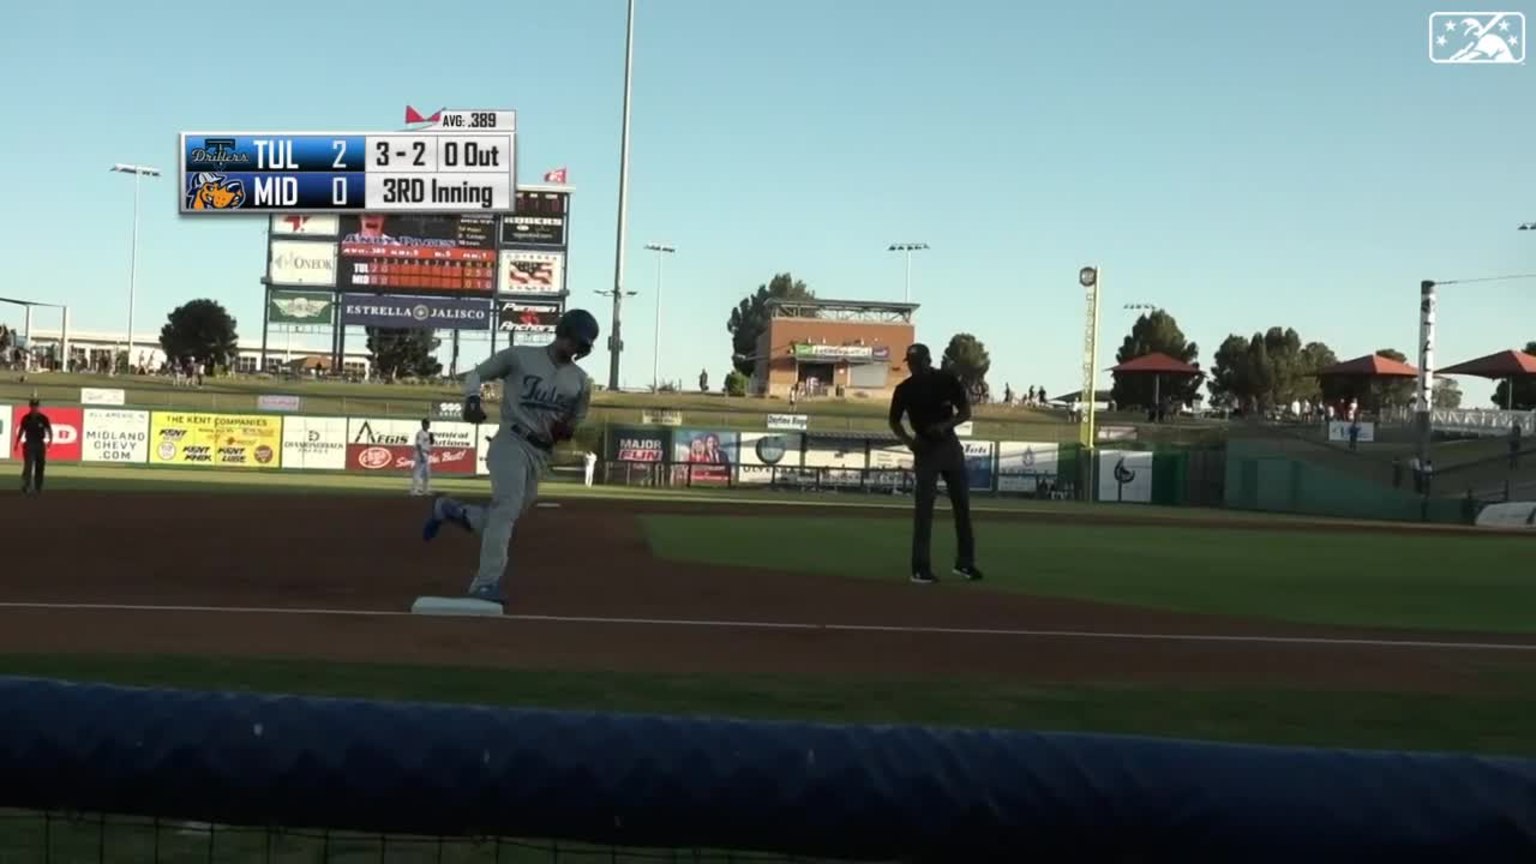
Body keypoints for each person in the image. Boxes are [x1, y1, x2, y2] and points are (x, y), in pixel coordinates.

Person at [423, 309, 599, 605]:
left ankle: (453, 510)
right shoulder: (520, 356)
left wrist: (567, 429)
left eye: (582, 346)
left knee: (507, 514)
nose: (576, 349)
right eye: (575, 341)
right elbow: (477, 374)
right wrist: (472, 398)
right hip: (511, 441)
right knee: (506, 508)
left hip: (540, 453)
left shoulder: (581, 381)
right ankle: (485, 583)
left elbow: (574, 420)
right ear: (563, 333)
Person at [887, 344, 982, 584]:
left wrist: (945, 425)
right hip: (925, 447)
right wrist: (909, 441)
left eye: (917, 362)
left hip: (948, 444)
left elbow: (966, 412)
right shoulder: (904, 389)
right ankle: (920, 569)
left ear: (928, 360)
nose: (914, 366)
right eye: (911, 362)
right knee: (924, 510)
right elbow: (894, 421)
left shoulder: (946, 379)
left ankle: (965, 563)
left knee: (962, 505)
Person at [14, 398, 53, 496]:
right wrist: (16, 442)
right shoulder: (26, 418)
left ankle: (38, 487)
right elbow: (21, 431)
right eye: (33, 406)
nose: (34, 408)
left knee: (40, 466)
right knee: (28, 466)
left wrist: (50, 441)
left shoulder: (43, 418)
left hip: (40, 444)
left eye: (36, 406)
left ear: (38, 407)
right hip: (29, 444)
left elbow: (49, 430)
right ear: (30, 407)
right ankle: (27, 486)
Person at [411, 418, 434, 496]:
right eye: (427, 423)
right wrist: (421, 455)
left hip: (426, 454)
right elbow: (418, 445)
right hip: (421, 453)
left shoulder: (427, 433)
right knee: (417, 473)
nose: (428, 425)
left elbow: (431, 443)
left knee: (427, 474)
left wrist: (432, 438)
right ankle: (414, 491)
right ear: (423, 424)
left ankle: (425, 490)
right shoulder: (420, 433)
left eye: (428, 423)